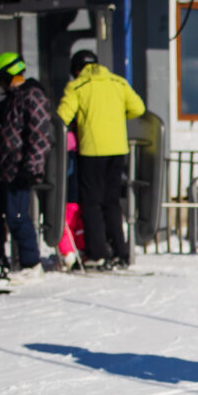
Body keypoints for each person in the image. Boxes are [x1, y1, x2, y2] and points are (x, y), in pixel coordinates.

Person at [56, 49, 145, 270]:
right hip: (118, 149)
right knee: (111, 201)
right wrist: (116, 116)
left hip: (91, 151)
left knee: (92, 203)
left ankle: (97, 253)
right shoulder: (118, 82)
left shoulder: (77, 86)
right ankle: (120, 252)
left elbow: (62, 117)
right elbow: (138, 108)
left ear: (77, 70)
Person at [0, 51, 53, 279]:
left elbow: (40, 135)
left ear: (6, 76)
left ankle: (31, 262)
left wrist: (32, 167)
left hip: (20, 169)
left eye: (0, 79)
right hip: (2, 170)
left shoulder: (32, 96)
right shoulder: (11, 99)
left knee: (17, 216)